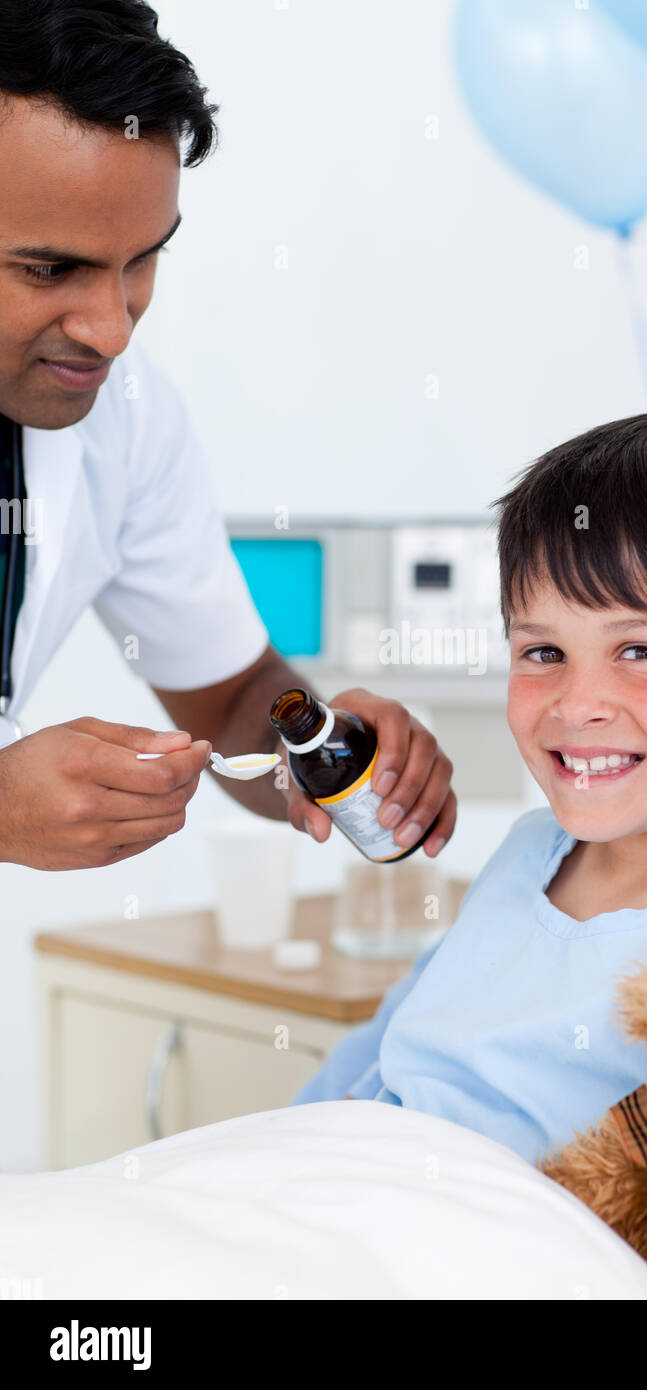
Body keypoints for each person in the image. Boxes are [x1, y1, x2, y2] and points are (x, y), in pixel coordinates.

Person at [291, 412, 647, 1162]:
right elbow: (387, 1066)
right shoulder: (529, 856)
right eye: (543, 651)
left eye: (639, 648)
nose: (575, 701)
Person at [0, 0, 455, 871]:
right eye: (52, 269)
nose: (112, 330)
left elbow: (236, 696)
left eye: (142, 259)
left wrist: (331, 749)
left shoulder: (126, 419)